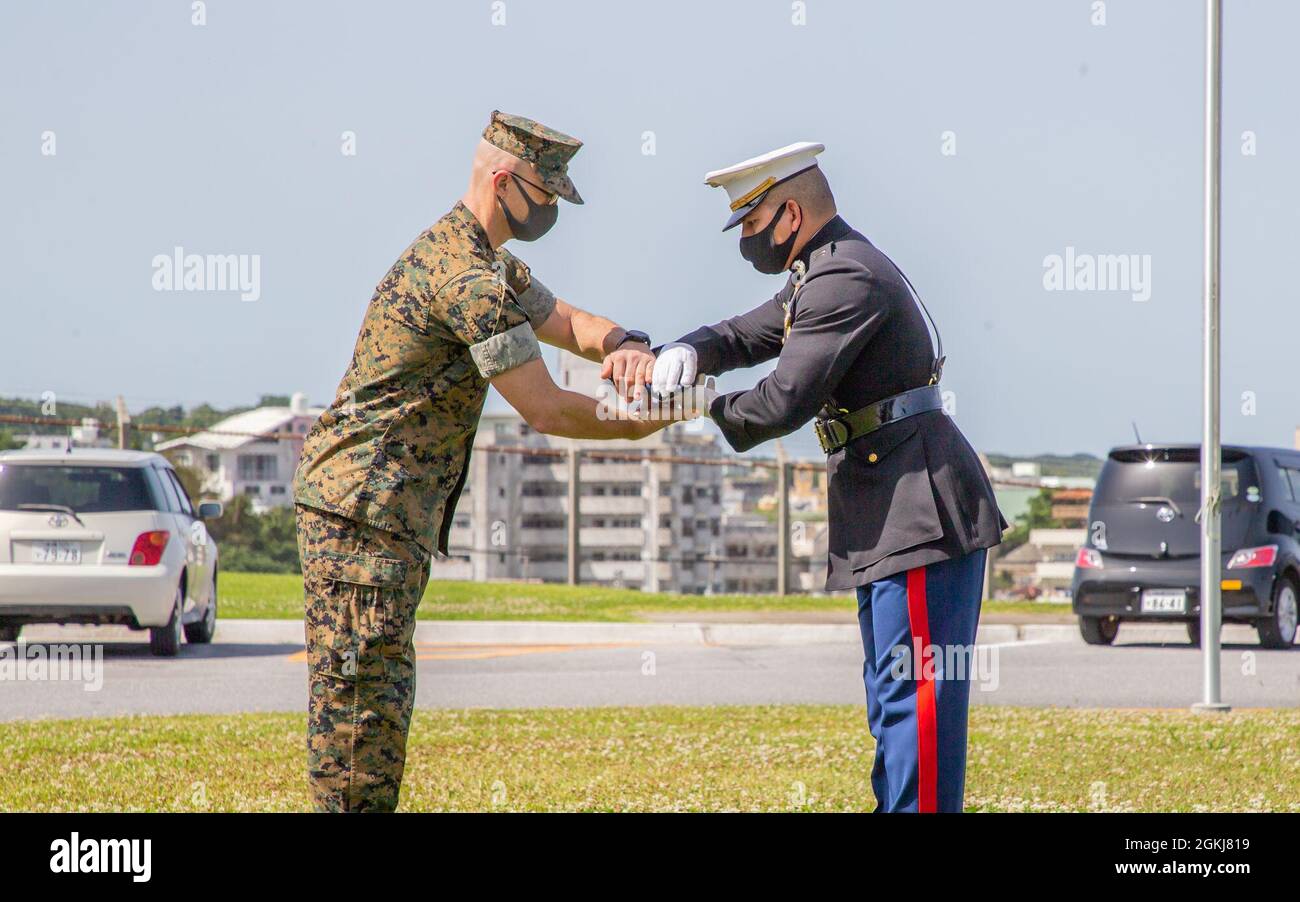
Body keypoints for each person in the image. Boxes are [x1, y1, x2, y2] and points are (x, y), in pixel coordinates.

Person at [292, 111, 668, 812]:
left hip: (377, 516)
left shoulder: (485, 259)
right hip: (362, 517)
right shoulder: (465, 277)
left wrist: (630, 343)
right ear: (504, 180)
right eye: (547, 194)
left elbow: (565, 323)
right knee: (358, 722)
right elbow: (548, 408)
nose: (554, 208)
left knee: (378, 704)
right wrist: (639, 424)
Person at [650, 141, 1007, 812]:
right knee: (890, 700)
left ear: (789, 214)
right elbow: (744, 334)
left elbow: (786, 398)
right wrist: (690, 350)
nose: (746, 241)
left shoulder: (846, 278)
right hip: (884, 501)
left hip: (919, 506)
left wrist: (695, 402)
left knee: (915, 712)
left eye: (751, 224)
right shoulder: (818, 273)